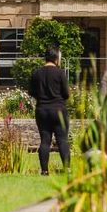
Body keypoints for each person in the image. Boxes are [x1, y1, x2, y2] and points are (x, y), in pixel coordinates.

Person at [28, 47, 71, 175]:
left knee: (45, 140)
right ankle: (67, 169)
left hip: (42, 110)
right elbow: (66, 94)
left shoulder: (36, 73)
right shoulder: (60, 73)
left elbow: (31, 92)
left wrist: (41, 98)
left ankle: (45, 170)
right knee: (62, 139)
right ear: (56, 58)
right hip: (58, 109)